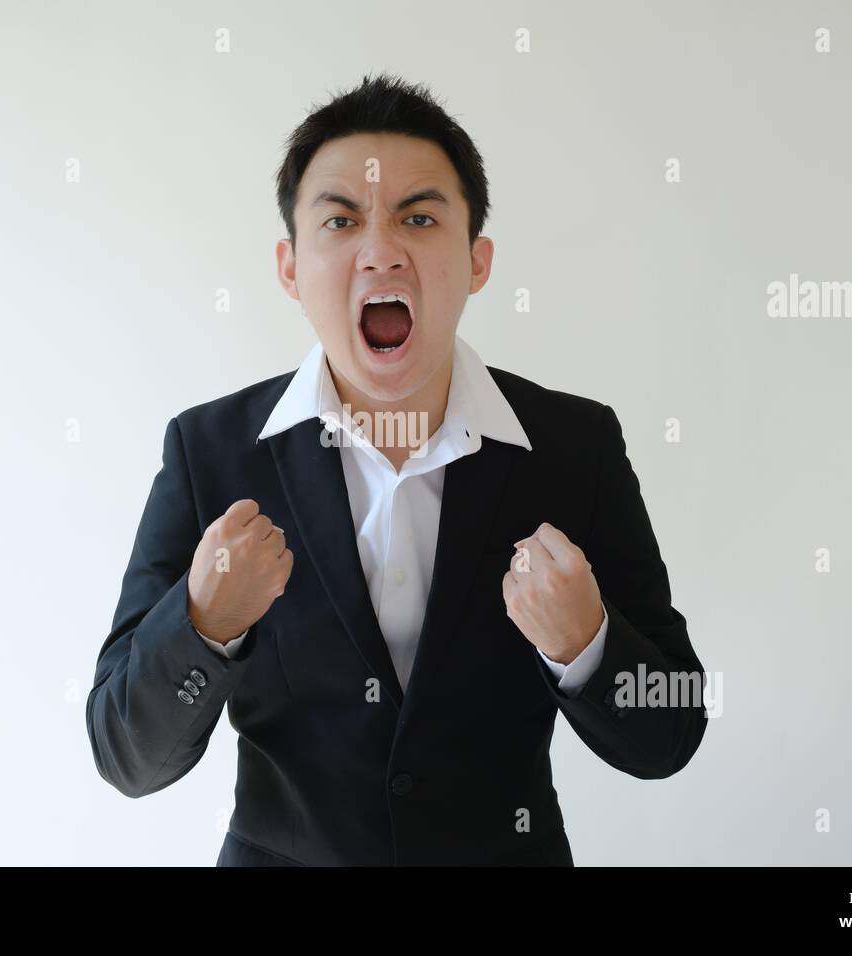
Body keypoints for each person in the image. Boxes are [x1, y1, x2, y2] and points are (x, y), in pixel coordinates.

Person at [87, 73, 707, 866]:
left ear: (477, 260)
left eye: (419, 217)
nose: (381, 250)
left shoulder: (575, 446)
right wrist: (203, 626)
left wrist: (586, 644)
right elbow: (125, 753)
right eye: (341, 221)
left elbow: (670, 730)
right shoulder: (210, 451)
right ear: (290, 267)